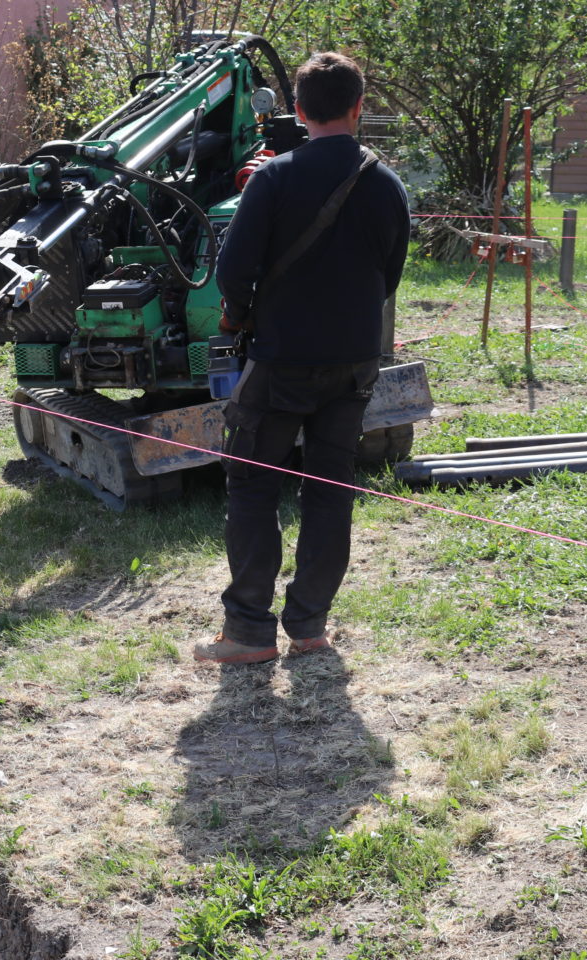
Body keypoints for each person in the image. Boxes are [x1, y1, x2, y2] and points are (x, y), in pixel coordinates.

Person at [194, 51, 410, 665]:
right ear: (358, 107)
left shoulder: (274, 176)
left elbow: (233, 270)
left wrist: (241, 313)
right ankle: (310, 628)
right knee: (329, 487)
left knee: (253, 486)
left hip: (282, 358)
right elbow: (388, 275)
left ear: (296, 110)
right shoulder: (387, 183)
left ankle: (247, 634)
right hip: (355, 361)